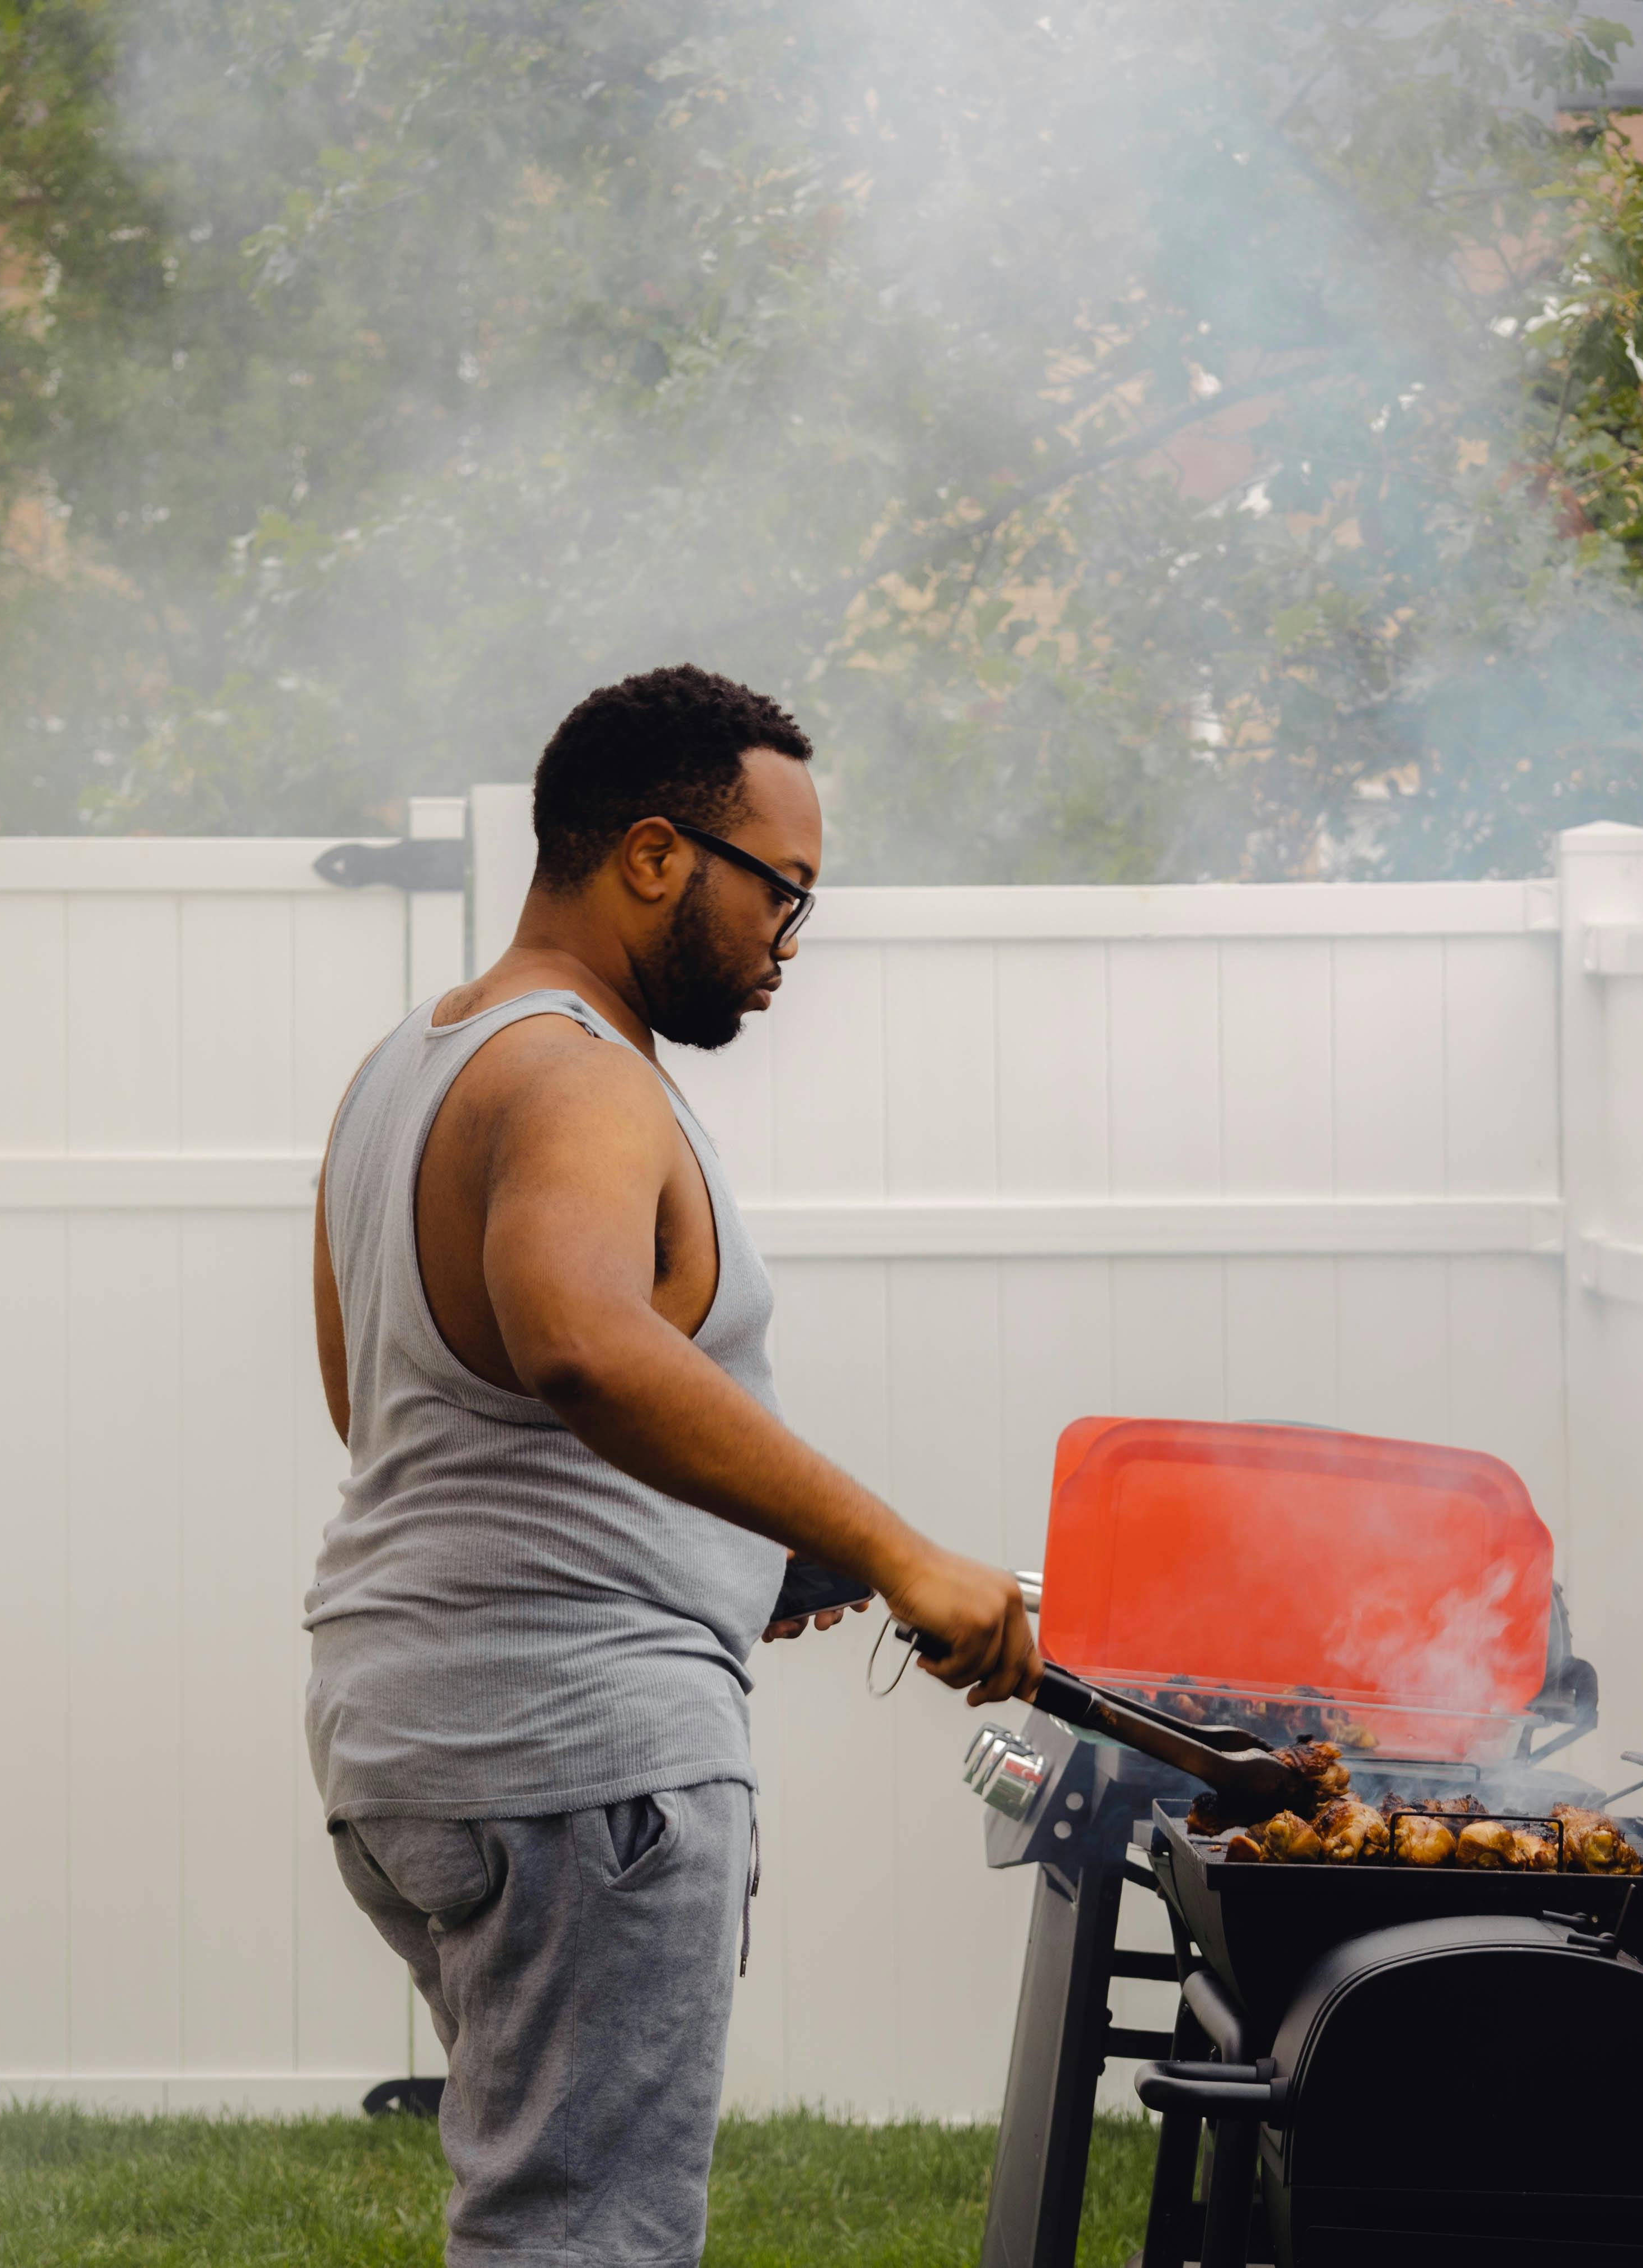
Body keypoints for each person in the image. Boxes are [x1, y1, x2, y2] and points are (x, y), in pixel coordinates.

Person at [302, 663, 1040, 2266]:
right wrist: (906, 1550)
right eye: (781, 892)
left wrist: (747, 1549)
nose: (788, 942)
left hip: (402, 1743)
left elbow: (401, 1403)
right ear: (652, 854)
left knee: (534, 2205)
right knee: (583, 2237)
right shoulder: (581, 1073)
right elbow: (573, 1341)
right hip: (581, 1758)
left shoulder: (403, 1072)